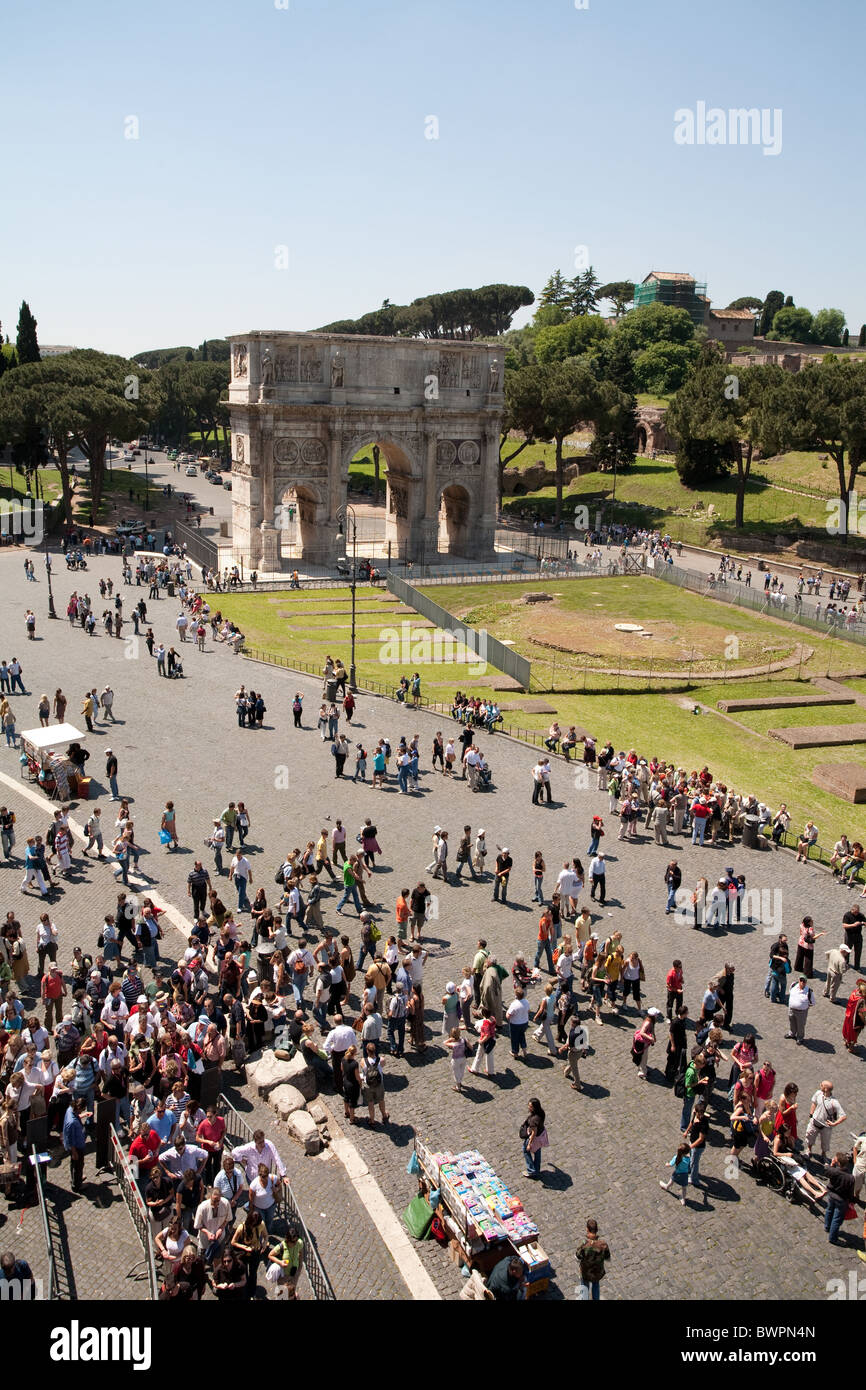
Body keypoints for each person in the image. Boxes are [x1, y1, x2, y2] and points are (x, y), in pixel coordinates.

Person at [805, 1081, 847, 1162]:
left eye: (822, 1085)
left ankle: (823, 1154)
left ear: (826, 1089)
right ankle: (809, 1150)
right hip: (814, 1122)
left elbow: (843, 1116)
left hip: (825, 1126)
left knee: (825, 1142)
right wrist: (811, 1114)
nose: (820, 1085)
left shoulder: (834, 1102)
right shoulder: (818, 1093)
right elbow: (814, 1102)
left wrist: (835, 1123)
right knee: (810, 1136)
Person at [265, 1220, 304, 1300]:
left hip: (294, 1272)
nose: (295, 1243)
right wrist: (280, 1262)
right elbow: (270, 1255)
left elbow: (301, 1253)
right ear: (287, 1239)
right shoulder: (282, 1246)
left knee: (291, 1292)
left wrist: (300, 1266)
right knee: (282, 1294)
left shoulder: (299, 1243)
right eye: (293, 1241)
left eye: (296, 1240)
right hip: (284, 1276)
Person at [575, 1219, 611, 1301]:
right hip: (597, 1272)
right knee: (595, 1286)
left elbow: (577, 1257)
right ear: (597, 1230)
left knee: (584, 1288)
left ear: (587, 1229)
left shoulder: (584, 1244)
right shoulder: (603, 1245)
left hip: (586, 1272)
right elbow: (608, 1258)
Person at [520, 1096, 547, 1178]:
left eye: (531, 1106)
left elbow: (533, 1133)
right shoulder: (541, 1113)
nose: (529, 1107)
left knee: (525, 1150)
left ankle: (531, 1171)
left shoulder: (533, 1120)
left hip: (535, 1138)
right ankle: (537, 1170)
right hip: (541, 1136)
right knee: (537, 1153)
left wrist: (529, 1144)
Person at [785, 976, 815, 1044]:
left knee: (800, 1025)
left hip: (801, 1012)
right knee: (792, 1022)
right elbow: (790, 992)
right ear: (798, 980)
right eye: (801, 980)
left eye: (804, 981)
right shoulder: (793, 985)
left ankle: (800, 1038)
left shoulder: (809, 991)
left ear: (806, 982)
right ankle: (792, 1033)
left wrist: (803, 1006)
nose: (802, 982)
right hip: (791, 1009)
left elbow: (812, 1002)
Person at [842, 977, 866, 1052]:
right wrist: (864, 1021)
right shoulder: (861, 1000)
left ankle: (846, 1041)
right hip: (856, 1020)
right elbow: (861, 1013)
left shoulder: (854, 992)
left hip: (848, 1016)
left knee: (847, 1029)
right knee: (855, 1033)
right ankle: (851, 1048)